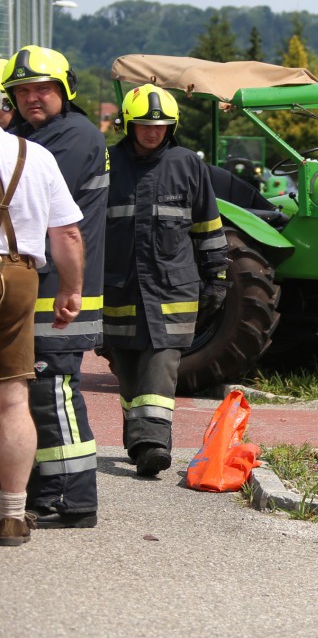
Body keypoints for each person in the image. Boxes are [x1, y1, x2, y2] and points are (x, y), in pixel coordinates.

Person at [3, 46, 108, 529]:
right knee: (32, 393)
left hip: (60, 291)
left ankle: (72, 498)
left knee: (53, 390)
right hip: (41, 286)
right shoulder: (35, 136)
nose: (31, 99)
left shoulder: (72, 137)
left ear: (64, 91)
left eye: (42, 89)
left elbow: (43, 212)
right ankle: (43, 493)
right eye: (22, 92)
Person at [103, 84, 228, 477]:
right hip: (118, 287)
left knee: (161, 363)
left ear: (171, 126)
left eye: (160, 125)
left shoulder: (187, 164)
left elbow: (208, 226)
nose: (152, 131)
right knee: (126, 369)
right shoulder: (107, 163)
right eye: (144, 125)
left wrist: (217, 277)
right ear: (129, 124)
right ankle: (138, 437)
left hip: (172, 288)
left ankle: (153, 442)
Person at [0, 129, 84, 547]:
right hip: (18, 275)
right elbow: (66, 233)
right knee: (13, 399)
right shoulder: (34, 155)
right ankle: (12, 516)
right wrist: (71, 288)